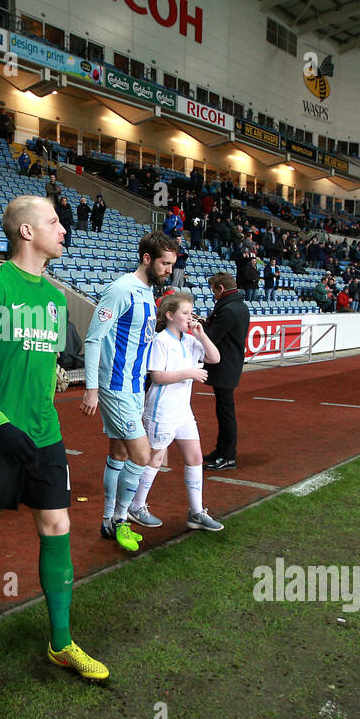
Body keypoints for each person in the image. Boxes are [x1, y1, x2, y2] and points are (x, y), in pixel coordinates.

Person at [0, 195, 108, 680]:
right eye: (53, 221)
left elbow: (44, 360)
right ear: (27, 232)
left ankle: (62, 642)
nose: (63, 228)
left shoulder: (54, 298)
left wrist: (54, 379)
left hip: (44, 434)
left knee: (57, 527)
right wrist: (0, 423)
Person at [81, 231, 179, 552]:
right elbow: (94, 338)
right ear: (147, 259)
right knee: (143, 454)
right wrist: (92, 389)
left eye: (172, 264)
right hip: (117, 385)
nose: (169, 269)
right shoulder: (122, 290)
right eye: (165, 263)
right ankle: (123, 519)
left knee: (120, 454)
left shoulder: (147, 292)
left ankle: (108, 519)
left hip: (135, 386)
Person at [124, 292, 223, 532]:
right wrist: (190, 373)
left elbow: (215, 357)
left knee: (195, 457)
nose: (190, 318)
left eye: (191, 313)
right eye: (185, 313)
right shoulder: (161, 341)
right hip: (162, 410)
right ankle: (135, 506)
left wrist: (201, 335)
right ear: (170, 315)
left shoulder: (189, 340)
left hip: (182, 411)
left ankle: (197, 512)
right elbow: (157, 376)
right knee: (155, 458)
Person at [203, 272, 249, 470]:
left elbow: (212, 338)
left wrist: (200, 327)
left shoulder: (228, 310)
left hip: (225, 365)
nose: (213, 295)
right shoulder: (239, 306)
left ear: (221, 288)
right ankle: (222, 450)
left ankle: (228, 455)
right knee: (224, 411)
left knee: (225, 412)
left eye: (214, 290)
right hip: (229, 364)